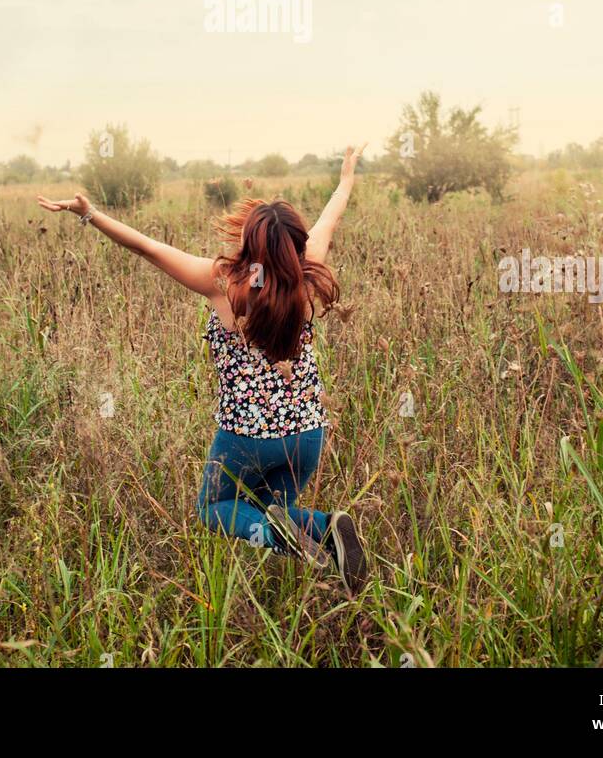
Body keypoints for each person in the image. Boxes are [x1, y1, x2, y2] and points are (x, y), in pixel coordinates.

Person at [36, 144, 368, 592]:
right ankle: (326, 527)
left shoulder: (224, 284)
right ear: (299, 245)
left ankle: (289, 536)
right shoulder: (309, 278)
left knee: (213, 509)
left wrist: (90, 213)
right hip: (308, 434)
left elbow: (147, 247)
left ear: (249, 242)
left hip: (244, 437)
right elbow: (330, 218)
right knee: (272, 508)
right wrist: (345, 178)